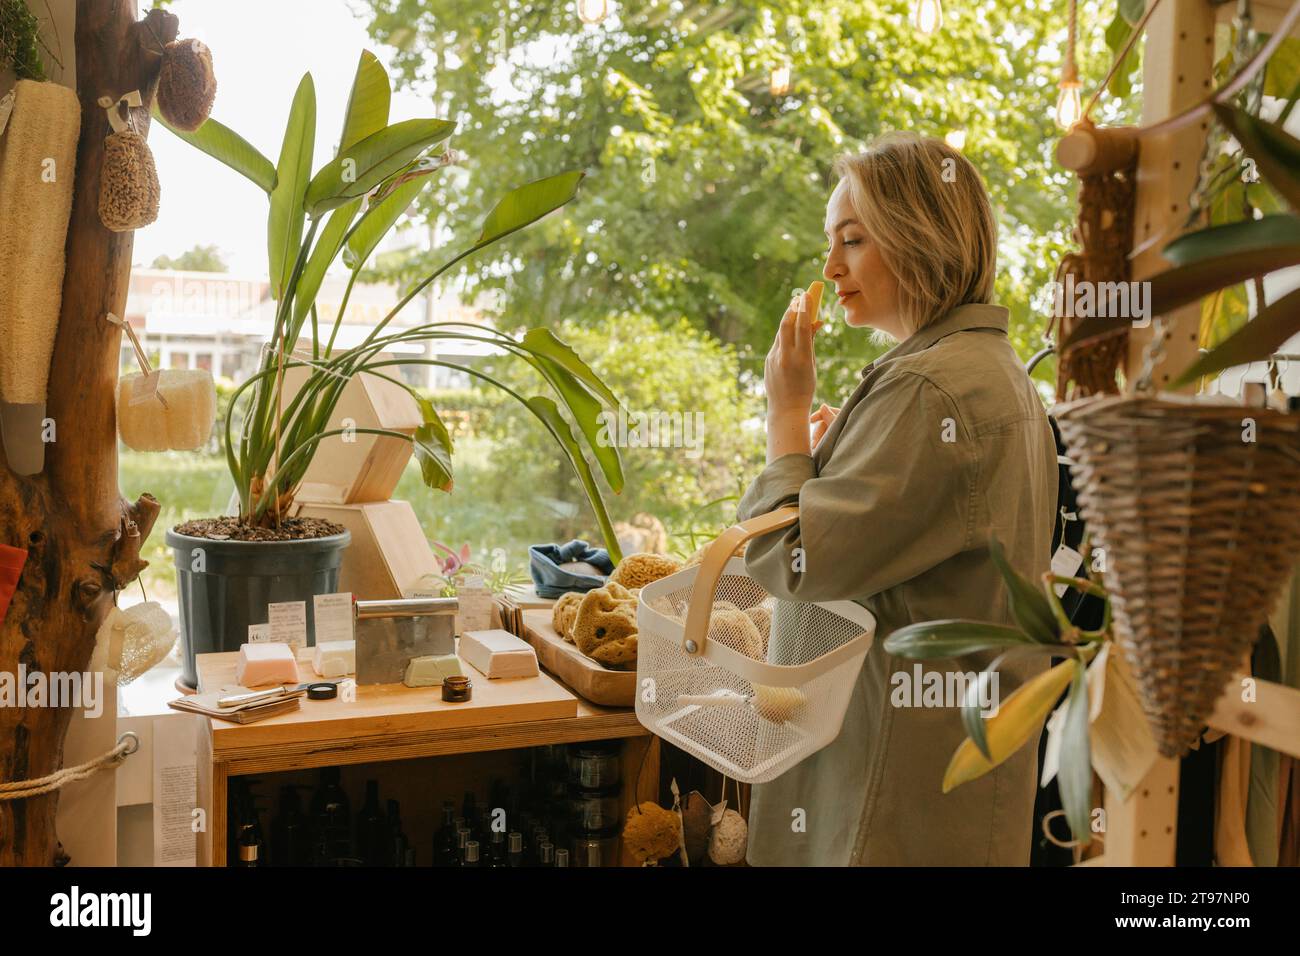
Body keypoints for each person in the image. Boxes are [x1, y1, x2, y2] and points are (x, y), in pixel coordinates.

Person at [738, 131, 1057, 866]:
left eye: (853, 240)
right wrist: (835, 459)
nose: (831, 267)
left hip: (882, 804)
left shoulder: (928, 387)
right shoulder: (995, 374)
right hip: (948, 790)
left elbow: (793, 560)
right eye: (831, 242)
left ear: (921, 238)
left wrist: (785, 417)